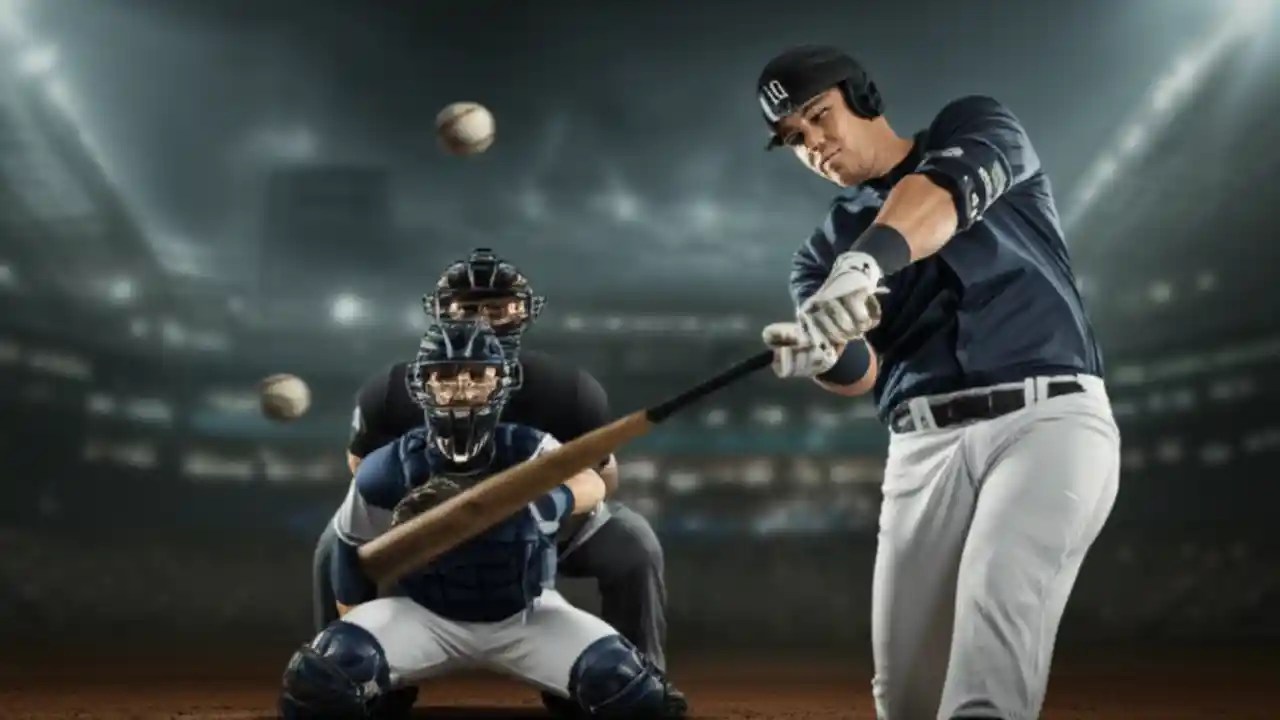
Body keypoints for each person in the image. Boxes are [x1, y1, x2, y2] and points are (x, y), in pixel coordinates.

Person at [755, 46, 1121, 720]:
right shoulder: (817, 254)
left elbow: (937, 201)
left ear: (862, 96)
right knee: (906, 702)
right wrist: (822, 353)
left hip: (1046, 423)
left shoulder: (975, 124)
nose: (812, 144)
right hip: (921, 447)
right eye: (793, 137)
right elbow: (862, 372)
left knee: (992, 632)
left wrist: (863, 266)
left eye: (818, 115)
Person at [311, 248, 683, 717]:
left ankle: (640, 672)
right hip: (425, 521)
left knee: (633, 541)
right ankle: (351, 676)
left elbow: (601, 478)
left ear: (523, 313)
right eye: (466, 308)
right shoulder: (389, 389)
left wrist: (541, 508)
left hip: (544, 525)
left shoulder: (566, 389)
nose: (482, 321)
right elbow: (362, 469)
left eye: (498, 308)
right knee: (335, 547)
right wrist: (428, 515)